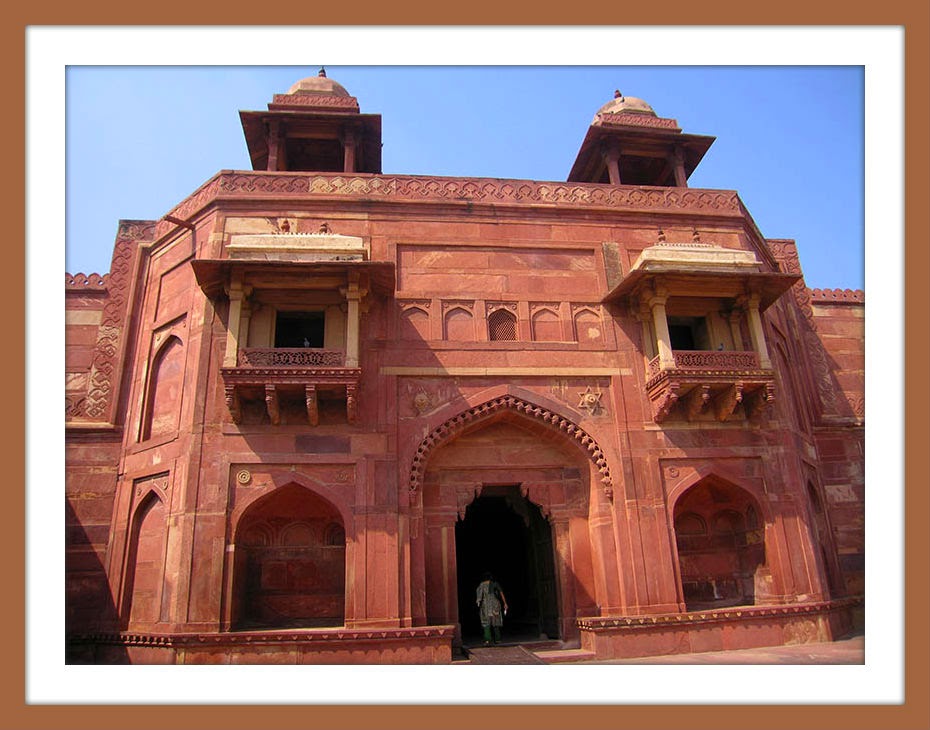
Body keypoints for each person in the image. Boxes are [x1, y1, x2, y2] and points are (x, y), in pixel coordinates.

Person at [475, 572, 508, 645]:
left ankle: (487, 640)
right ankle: (498, 639)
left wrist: (478, 601)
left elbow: (479, 595)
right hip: (495, 604)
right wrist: (505, 603)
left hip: (485, 605)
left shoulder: (481, 585)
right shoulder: (495, 584)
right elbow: (501, 593)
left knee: (486, 622)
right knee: (496, 621)